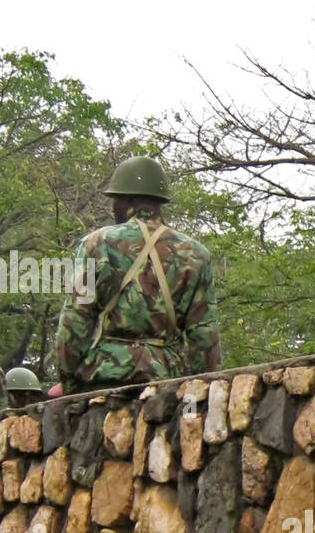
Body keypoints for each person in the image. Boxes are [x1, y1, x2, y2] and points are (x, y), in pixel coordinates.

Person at [55, 155, 221, 394]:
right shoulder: (195, 254)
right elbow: (204, 336)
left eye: (115, 200)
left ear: (128, 199)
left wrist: (71, 384)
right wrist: (197, 394)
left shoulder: (97, 244)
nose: (113, 208)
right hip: (166, 383)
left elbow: (75, 320)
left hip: (104, 378)